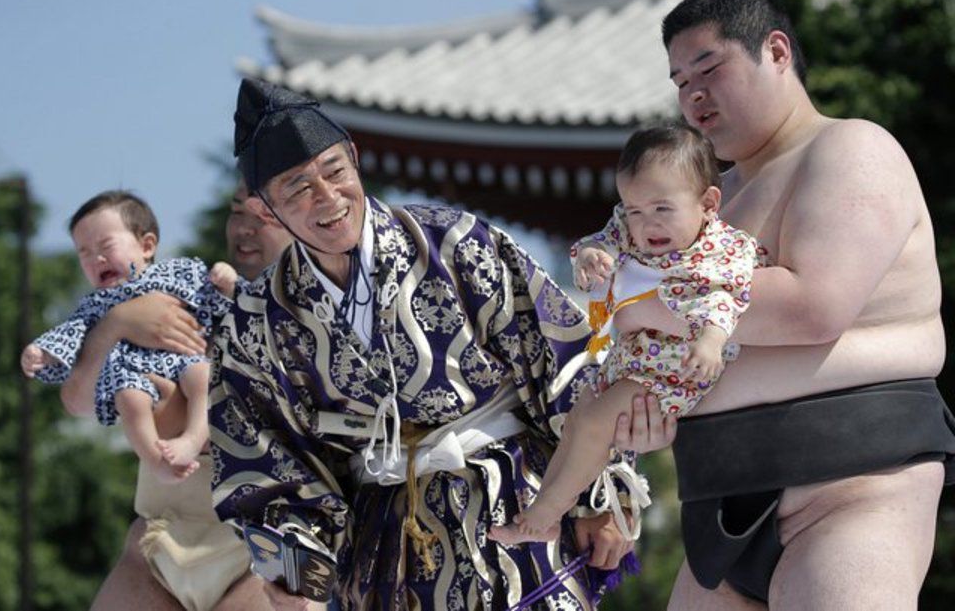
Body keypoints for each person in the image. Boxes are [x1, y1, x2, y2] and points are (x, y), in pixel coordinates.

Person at [209, 78, 642, 611]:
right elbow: (262, 460)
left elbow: (564, 360)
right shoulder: (257, 322)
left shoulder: (456, 242)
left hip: (514, 505)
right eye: (297, 189)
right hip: (384, 554)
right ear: (265, 209)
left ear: (356, 159)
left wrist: (604, 489)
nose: (327, 198)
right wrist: (295, 569)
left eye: (335, 172)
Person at [608, 0, 955, 609]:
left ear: (775, 50)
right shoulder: (706, 204)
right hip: (719, 506)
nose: (693, 94)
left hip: (851, 488)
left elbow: (812, 306)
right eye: (680, 81)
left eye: (709, 67)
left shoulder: (850, 147)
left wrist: (648, 304)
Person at [490, 123, 758, 543]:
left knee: (595, 422)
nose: (646, 222)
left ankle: (544, 517)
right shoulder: (628, 225)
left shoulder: (724, 248)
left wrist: (711, 340)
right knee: (578, 419)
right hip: (630, 360)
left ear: (708, 202)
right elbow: (603, 240)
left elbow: (730, 295)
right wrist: (593, 256)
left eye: (662, 209)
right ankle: (544, 506)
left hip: (674, 371)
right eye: (635, 210)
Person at [62, 181, 294, 611]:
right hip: (160, 535)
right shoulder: (115, 317)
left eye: (264, 215)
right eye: (83, 252)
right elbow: (76, 402)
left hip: (260, 537)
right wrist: (117, 322)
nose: (95, 258)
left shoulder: (291, 318)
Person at [21, 191, 237, 483]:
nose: (96, 258)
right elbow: (68, 336)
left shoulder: (177, 274)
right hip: (132, 375)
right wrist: (42, 351)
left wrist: (226, 282)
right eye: (83, 252)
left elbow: (216, 301)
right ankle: (155, 461)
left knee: (203, 376)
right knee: (130, 399)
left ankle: (191, 439)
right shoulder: (94, 307)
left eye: (105, 245)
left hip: (186, 358)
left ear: (147, 245)